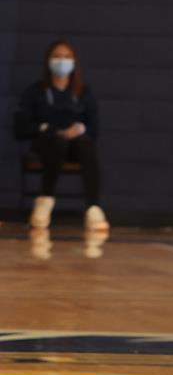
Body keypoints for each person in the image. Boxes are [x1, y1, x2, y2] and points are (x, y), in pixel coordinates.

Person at [15, 41, 107, 233]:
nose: (62, 61)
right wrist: (49, 129)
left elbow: (94, 129)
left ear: (74, 62)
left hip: (75, 147)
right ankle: (45, 200)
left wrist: (79, 129)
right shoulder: (36, 92)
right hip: (47, 145)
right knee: (58, 142)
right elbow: (21, 128)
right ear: (48, 60)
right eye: (57, 56)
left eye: (67, 57)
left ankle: (93, 207)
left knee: (86, 144)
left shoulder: (83, 93)